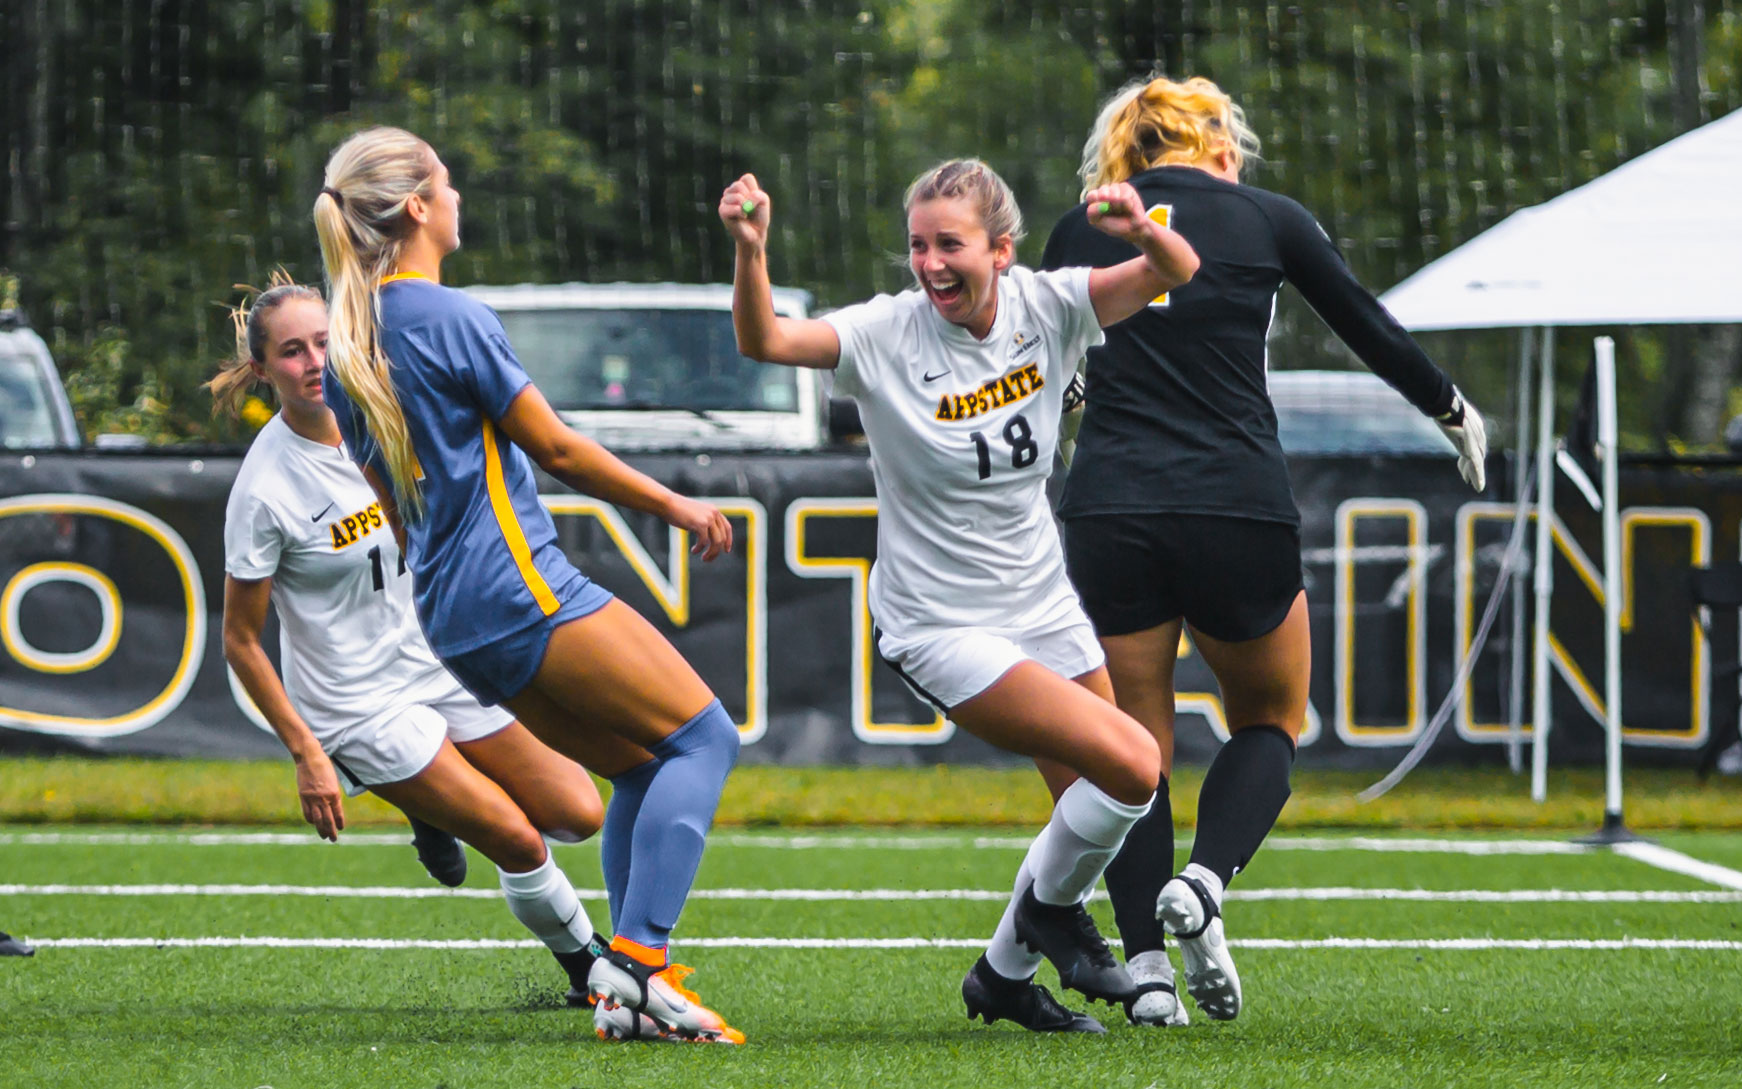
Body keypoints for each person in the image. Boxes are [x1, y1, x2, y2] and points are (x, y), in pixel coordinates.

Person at [1040, 75, 1489, 1026]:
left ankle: (1149, 972)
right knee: (1273, 720)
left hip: (1110, 510)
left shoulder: (1077, 229)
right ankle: (1203, 883)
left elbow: (1049, 369)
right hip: (1235, 503)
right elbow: (1365, 322)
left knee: (1133, 754)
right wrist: (1449, 407)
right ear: (1216, 146)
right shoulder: (1266, 216)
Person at [719, 160, 1194, 1033]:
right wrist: (751, 251)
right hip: (940, 623)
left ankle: (1003, 976)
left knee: (1092, 810)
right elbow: (766, 343)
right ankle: (1052, 920)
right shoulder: (887, 332)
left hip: (1042, 601)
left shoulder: (1048, 306)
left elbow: (1175, 270)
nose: (930, 263)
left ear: (1001, 250)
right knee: (1132, 768)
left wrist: (1141, 230)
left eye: (951, 244)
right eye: (917, 245)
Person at [314, 127, 743, 1044]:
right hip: (519, 589)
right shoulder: (451, 316)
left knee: (637, 765)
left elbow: (391, 504)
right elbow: (554, 447)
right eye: (450, 177)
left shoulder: (349, 344)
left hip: (453, 615)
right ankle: (640, 964)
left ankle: (624, 989)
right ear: (419, 206)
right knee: (705, 737)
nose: (459, 193)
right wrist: (672, 503)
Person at [214, 273, 608, 1005]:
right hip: (356, 702)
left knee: (580, 812)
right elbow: (240, 640)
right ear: (262, 369)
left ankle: (427, 805)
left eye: (325, 344)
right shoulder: (264, 486)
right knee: (520, 840)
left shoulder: (388, 419)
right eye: (291, 352)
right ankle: (593, 973)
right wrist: (306, 750)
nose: (313, 364)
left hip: (436, 660)